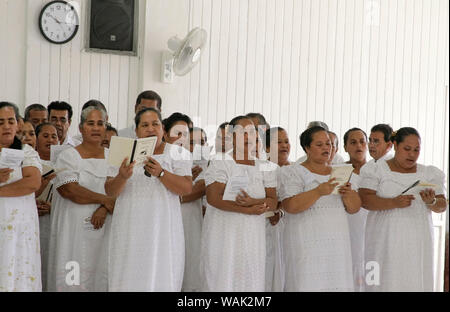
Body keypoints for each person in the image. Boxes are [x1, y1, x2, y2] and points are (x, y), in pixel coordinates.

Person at [106, 107, 193, 291]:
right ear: (136, 130)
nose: (151, 128)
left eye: (155, 124)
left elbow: (185, 188)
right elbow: (110, 192)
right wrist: (122, 176)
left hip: (163, 229)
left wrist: (161, 173)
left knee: (162, 276)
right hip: (130, 228)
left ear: (163, 128)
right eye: (144, 125)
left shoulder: (178, 153)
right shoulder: (123, 151)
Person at [359, 127, 448, 292]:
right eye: (407, 149)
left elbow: (442, 205)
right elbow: (365, 200)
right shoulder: (376, 170)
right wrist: (393, 203)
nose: (412, 154)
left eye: (416, 150)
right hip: (383, 241)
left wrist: (432, 201)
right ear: (394, 145)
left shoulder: (429, 173)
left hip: (417, 242)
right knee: (382, 281)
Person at [200, 115, 278, 291]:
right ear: (231, 136)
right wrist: (247, 210)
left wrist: (253, 202)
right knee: (222, 279)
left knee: (249, 280)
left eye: (251, 132)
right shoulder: (221, 161)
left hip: (252, 236)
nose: (247, 136)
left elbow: (273, 202)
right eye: (241, 132)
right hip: (224, 233)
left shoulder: (265, 165)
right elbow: (213, 198)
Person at [279, 126, 360, 291]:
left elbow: (354, 208)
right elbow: (290, 206)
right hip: (306, 243)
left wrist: (348, 194)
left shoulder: (341, 173)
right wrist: (318, 191)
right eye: (320, 144)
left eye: (329, 144)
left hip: (337, 244)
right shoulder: (293, 172)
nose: (326, 148)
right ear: (307, 148)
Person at [47, 106, 115, 292]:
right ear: (81, 127)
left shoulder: (113, 157)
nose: (95, 128)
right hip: (74, 230)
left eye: (100, 124)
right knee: (73, 277)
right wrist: (105, 200)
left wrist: (104, 207)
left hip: (105, 229)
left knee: (100, 276)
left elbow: (118, 190)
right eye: (90, 123)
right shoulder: (68, 156)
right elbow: (70, 190)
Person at [0, 102, 42, 292]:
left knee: (19, 275)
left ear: (18, 124)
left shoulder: (27, 152)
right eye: (0, 122)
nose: (6, 126)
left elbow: (32, 182)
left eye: (11, 121)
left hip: (20, 229)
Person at [180, 127, 208, 291]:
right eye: (192, 142)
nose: (197, 147)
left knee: (192, 270)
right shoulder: (176, 164)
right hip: (175, 223)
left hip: (195, 225)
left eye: (202, 142)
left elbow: (194, 191)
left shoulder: (208, 167)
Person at [264, 126, 291, 292]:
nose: (284, 145)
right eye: (278, 142)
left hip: (289, 226)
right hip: (266, 227)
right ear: (266, 148)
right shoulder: (261, 168)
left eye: (286, 141)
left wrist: (280, 210)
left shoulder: (294, 169)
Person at [342, 127, 369, 291]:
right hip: (347, 229)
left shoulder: (376, 171)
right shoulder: (339, 171)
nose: (358, 145)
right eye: (353, 142)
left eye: (362, 141)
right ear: (345, 147)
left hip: (371, 227)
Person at [34, 122, 59, 291]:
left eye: (54, 136)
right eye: (45, 136)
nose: (50, 140)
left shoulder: (63, 164)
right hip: (33, 222)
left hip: (53, 222)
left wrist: (53, 207)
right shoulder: (28, 162)